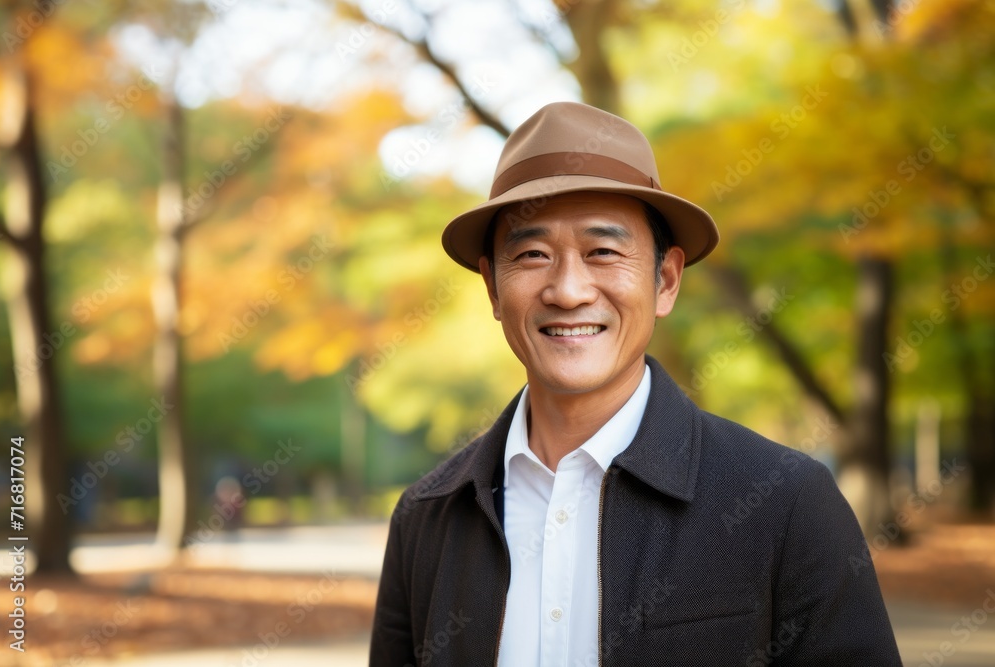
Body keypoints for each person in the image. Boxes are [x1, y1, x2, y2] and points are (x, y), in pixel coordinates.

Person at [369, 101, 901, 666]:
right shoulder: (426, 518)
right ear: (494, 289)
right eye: (532, 254)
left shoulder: (785, 501)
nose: (568, 290)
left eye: (603, 251)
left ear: (665, 280)